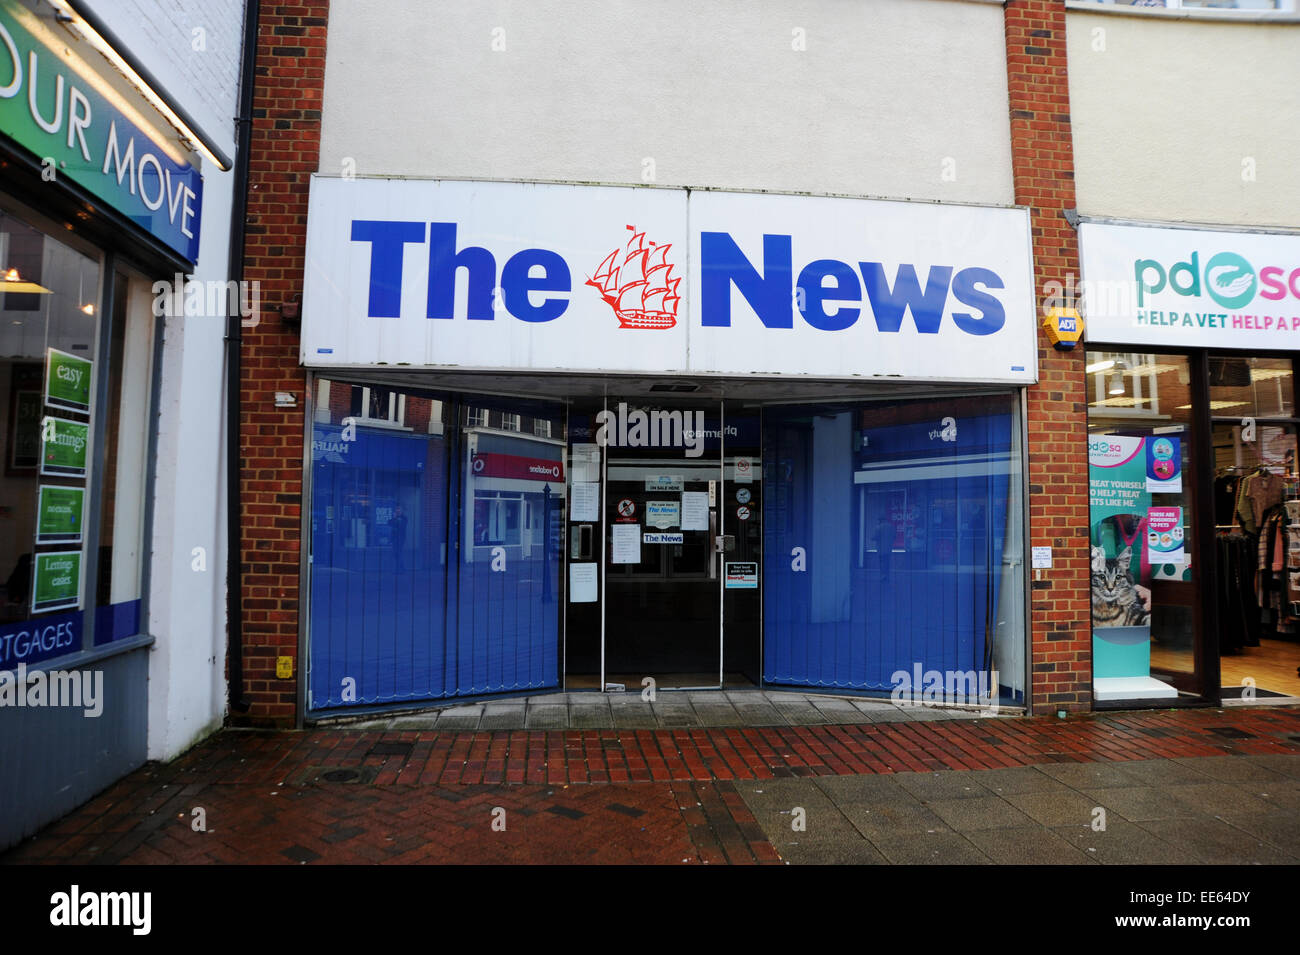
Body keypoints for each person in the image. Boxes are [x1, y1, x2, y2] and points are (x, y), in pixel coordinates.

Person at [390, 505, 408, 571]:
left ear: (402, 510)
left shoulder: (404, 518)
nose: (397, 510)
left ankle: (400, 569)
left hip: (401, 538)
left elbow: (401, 526)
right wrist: (394, 518)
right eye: (396, 509)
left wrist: (395, 519)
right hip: (394, 538)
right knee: (395, 553)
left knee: (399, 553)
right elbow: (389, 523)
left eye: (399, 509)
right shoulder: (394, 518)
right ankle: (402, 568)